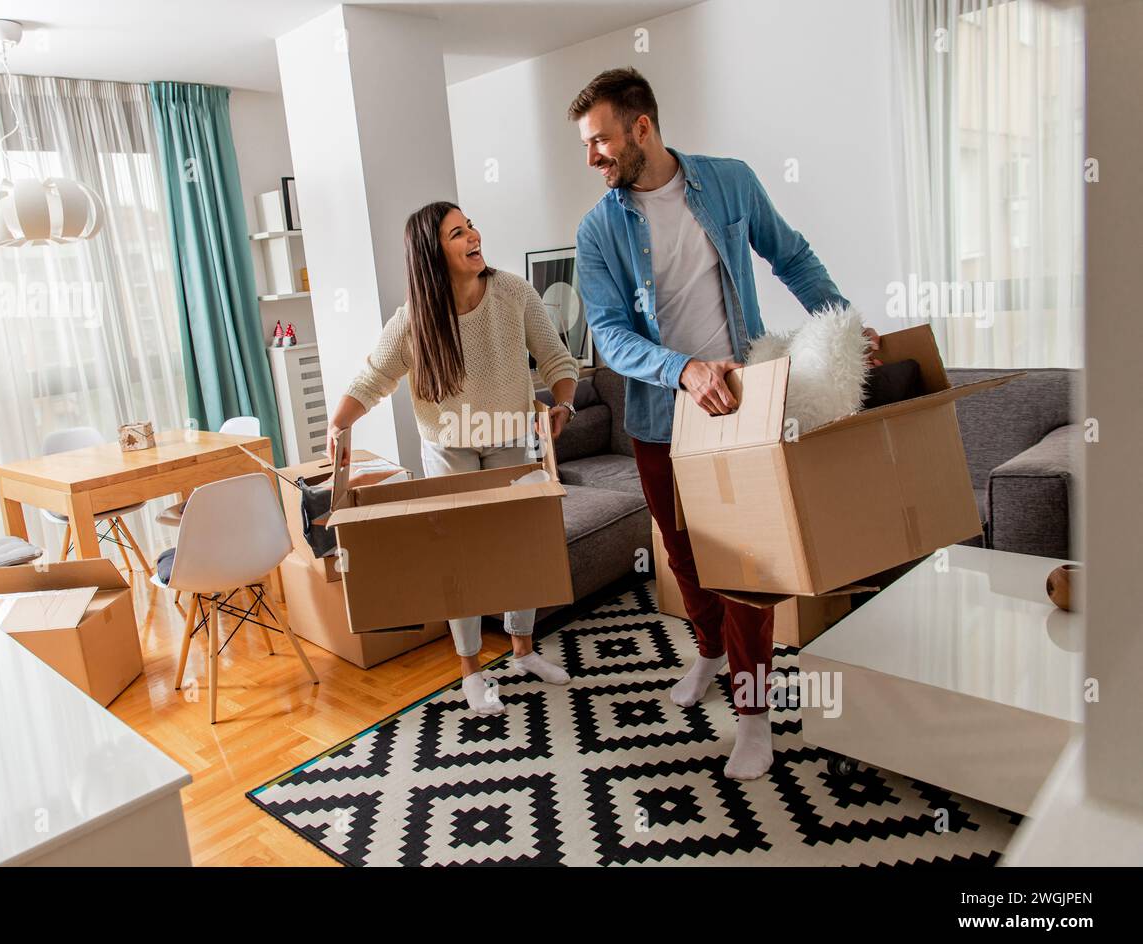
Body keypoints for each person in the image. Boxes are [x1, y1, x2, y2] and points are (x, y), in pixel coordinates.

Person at [568, 67, 881, 780]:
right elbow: (609, 335)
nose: (592, 158)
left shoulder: (729, 182)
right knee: (684, 556)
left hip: (743, 406)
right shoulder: (597, 230)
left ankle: (752, 716)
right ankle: (708, 650)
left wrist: (841, 321)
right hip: (659, 413)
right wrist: (684, 369)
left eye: (601, 142)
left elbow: (790, 256)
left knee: (745, 568)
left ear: (642, 128)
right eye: (587, 145)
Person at [326, 200, 580, 714]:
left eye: (471, 227)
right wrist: (339, 423)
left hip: (508, 434)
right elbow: (373, 377)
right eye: (457, 233)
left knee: (518, 546)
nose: (473, 237)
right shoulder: (415, 320)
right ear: (432, 253)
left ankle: (524, 650)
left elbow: (556, 357)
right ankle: (470, 671)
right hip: (448, 446)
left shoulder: (513, 293)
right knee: (459, 558)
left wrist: (566, 401)